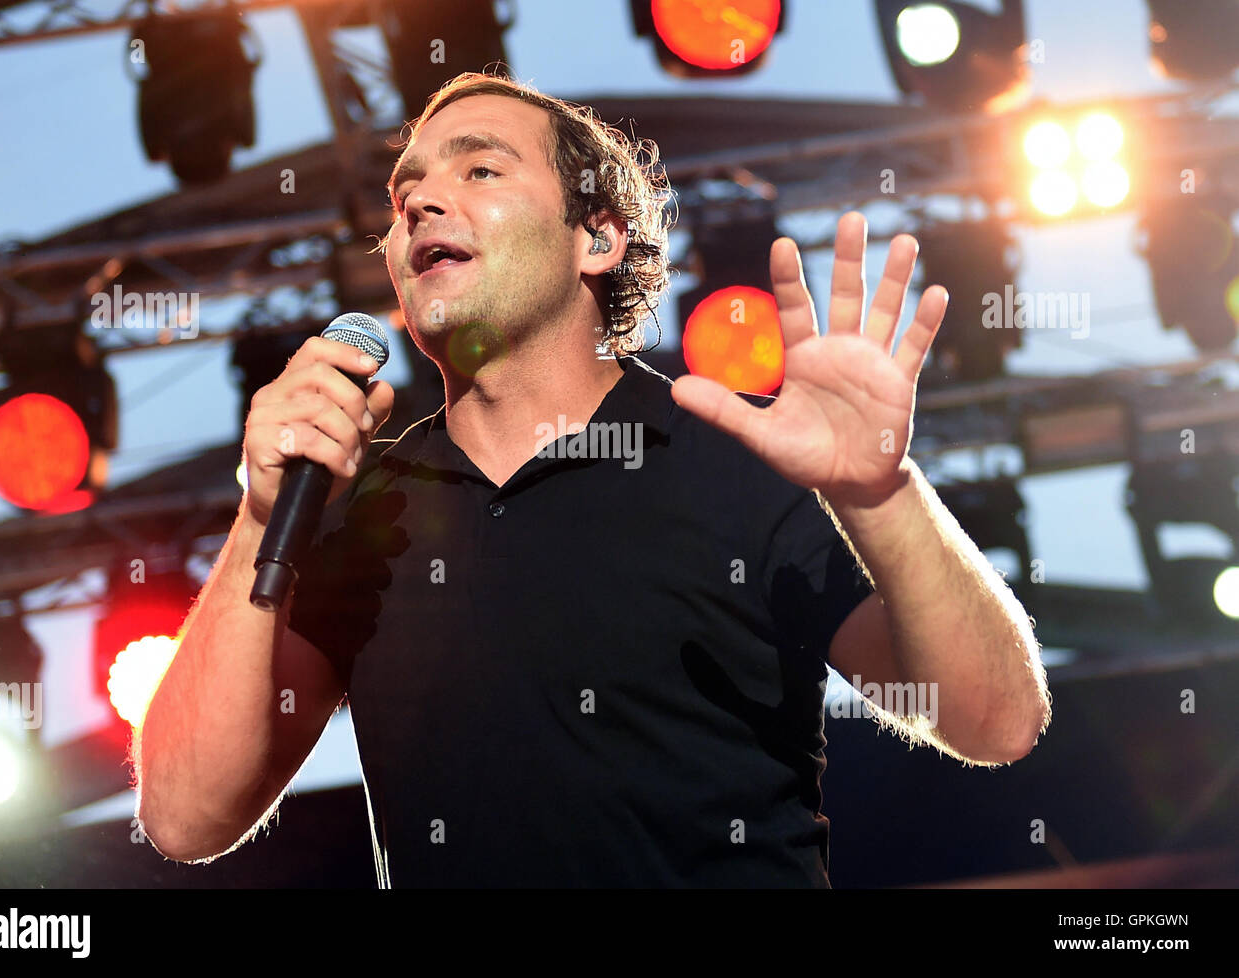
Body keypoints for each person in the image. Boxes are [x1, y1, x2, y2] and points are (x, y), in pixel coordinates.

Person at [134, 72, 1051, 887]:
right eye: (404, 190)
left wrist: (879, 496)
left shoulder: (742, 456)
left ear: (598, 238)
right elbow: (182, 818)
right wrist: (261, 518)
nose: (418, 204)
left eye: (479, 171)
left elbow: (996, 721)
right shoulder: (367, 511)